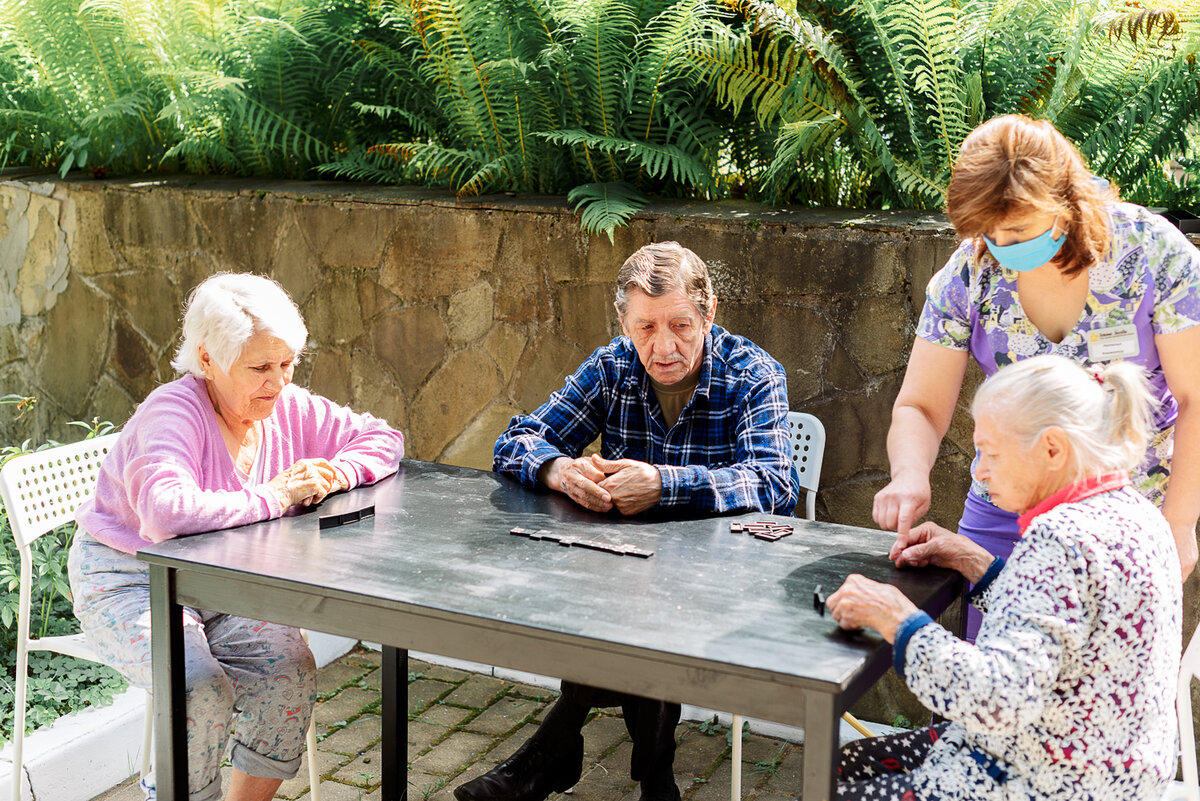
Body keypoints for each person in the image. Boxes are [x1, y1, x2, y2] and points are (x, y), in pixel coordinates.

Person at [456, 241, 798, 801]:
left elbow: (775, 484)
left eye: (681, 325)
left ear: (709, 312)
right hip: (622, 574)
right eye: (645, 328)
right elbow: (517, 439)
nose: (663, 347)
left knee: (649, 610)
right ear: (623, 322)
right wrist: (560, 471)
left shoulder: (754, 373)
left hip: (725, 579)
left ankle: (555, 755)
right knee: (629, 601)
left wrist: (665, 483)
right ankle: (650, 779)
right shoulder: (612, 366)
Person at [68, 273, 405, 801]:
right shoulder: (172, 411)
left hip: (223, 581)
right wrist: (276, 496)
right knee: (195, 687)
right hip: (131, 577)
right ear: (207, 360)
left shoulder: (284, 407)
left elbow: (383, 437)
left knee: (288, 670)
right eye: (260, 368)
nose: (279, 382)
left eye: (287, 364)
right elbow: (165, 512)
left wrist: (336, 474)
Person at [873, 115, 1200, 638]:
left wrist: (1179, 526)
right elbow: (920, 406)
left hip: (1130, 519)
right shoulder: (970, 270)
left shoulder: (1154, 255)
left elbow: (1195, 398)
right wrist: (909, 473)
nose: (1002, 245)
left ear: (1065, 202)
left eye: (1019, 230)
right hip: (1004, 513)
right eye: (988, 231)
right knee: (993, 679)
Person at [827, 354, 1181, 801]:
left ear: (1053, 449)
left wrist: (899, 620)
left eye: (992, 453)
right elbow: (1063, 629)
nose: (980, 470)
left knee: (832, 785)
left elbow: (997, 700)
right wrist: (980, 564)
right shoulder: (1137, 514)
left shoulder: (1060, 539)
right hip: (1111, 771)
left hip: (1044, 780)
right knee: (847, 763)